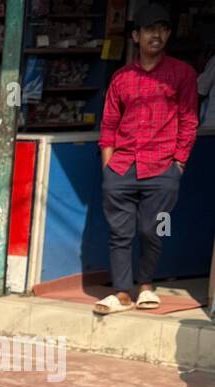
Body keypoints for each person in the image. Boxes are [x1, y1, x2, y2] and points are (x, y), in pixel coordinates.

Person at [95, 3, 198, 315]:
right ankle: (122, 293)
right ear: (136, 36)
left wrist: (178, 164)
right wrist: (108, 167)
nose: (158, 34)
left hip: (163, 168)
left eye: (163, 29)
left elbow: (189, 121)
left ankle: (147, 284)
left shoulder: (182, 74)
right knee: (120, 232)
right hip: (122, 167)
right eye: (150, 29)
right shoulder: (122, 78)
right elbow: (109, 124)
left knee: (154, 228)